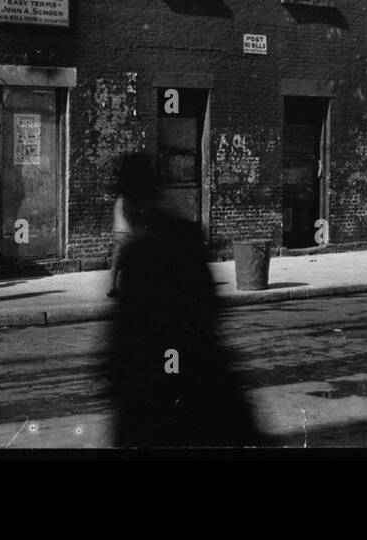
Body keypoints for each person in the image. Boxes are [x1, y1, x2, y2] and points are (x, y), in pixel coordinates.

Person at [107, 152, 261, 447]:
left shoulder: (140, 252)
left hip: (162, 391)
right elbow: (210, 307)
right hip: (195, 379)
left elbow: (128, 334)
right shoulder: (183, 236)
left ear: (129, 203)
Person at [108, 195, 131, 298]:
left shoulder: (118, 200)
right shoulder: (126, 200)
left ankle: (112, 287)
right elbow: (128, 216)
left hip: (118, 232)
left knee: (116, 263)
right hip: (126, 232)